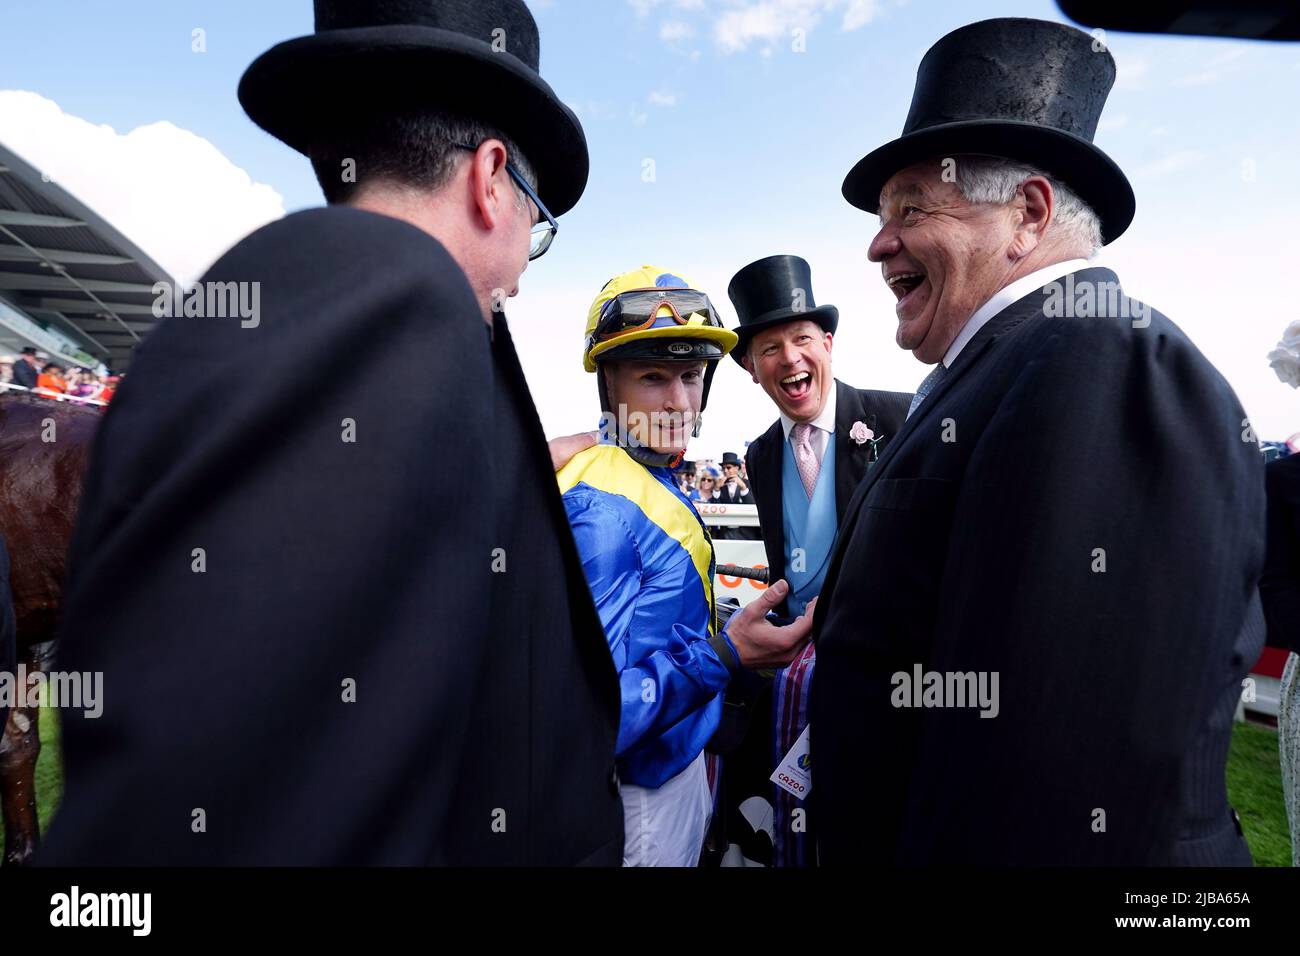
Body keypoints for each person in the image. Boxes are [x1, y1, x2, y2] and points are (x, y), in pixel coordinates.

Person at [41, 0, 625, 866]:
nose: (522, 270)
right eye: (535, 226)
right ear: (491, 177)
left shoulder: (307, 307)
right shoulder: (393, 306)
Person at [810, 17, 1263, 865]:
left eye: (911, 208)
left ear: (1027, 212)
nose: (878, 244)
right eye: (881, 216)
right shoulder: (1004, 363)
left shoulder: (1098, 360)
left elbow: (1057, 791)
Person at [557, 266, 812, 865]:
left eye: (691, 376)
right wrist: (728, 655)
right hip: (641, 793)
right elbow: (592, 717)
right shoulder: (601, 509)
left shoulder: (643, 473)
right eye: (652, 377)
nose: (677, 402)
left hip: (676, 762)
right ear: (609, 387)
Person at [717, 254, 910, 866]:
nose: (791, 359)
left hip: (886, 678)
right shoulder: (759, 453)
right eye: (769, 348)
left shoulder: (902, 417)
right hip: (794, 676)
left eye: (802, 339)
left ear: (828, 343)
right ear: (752, 369)